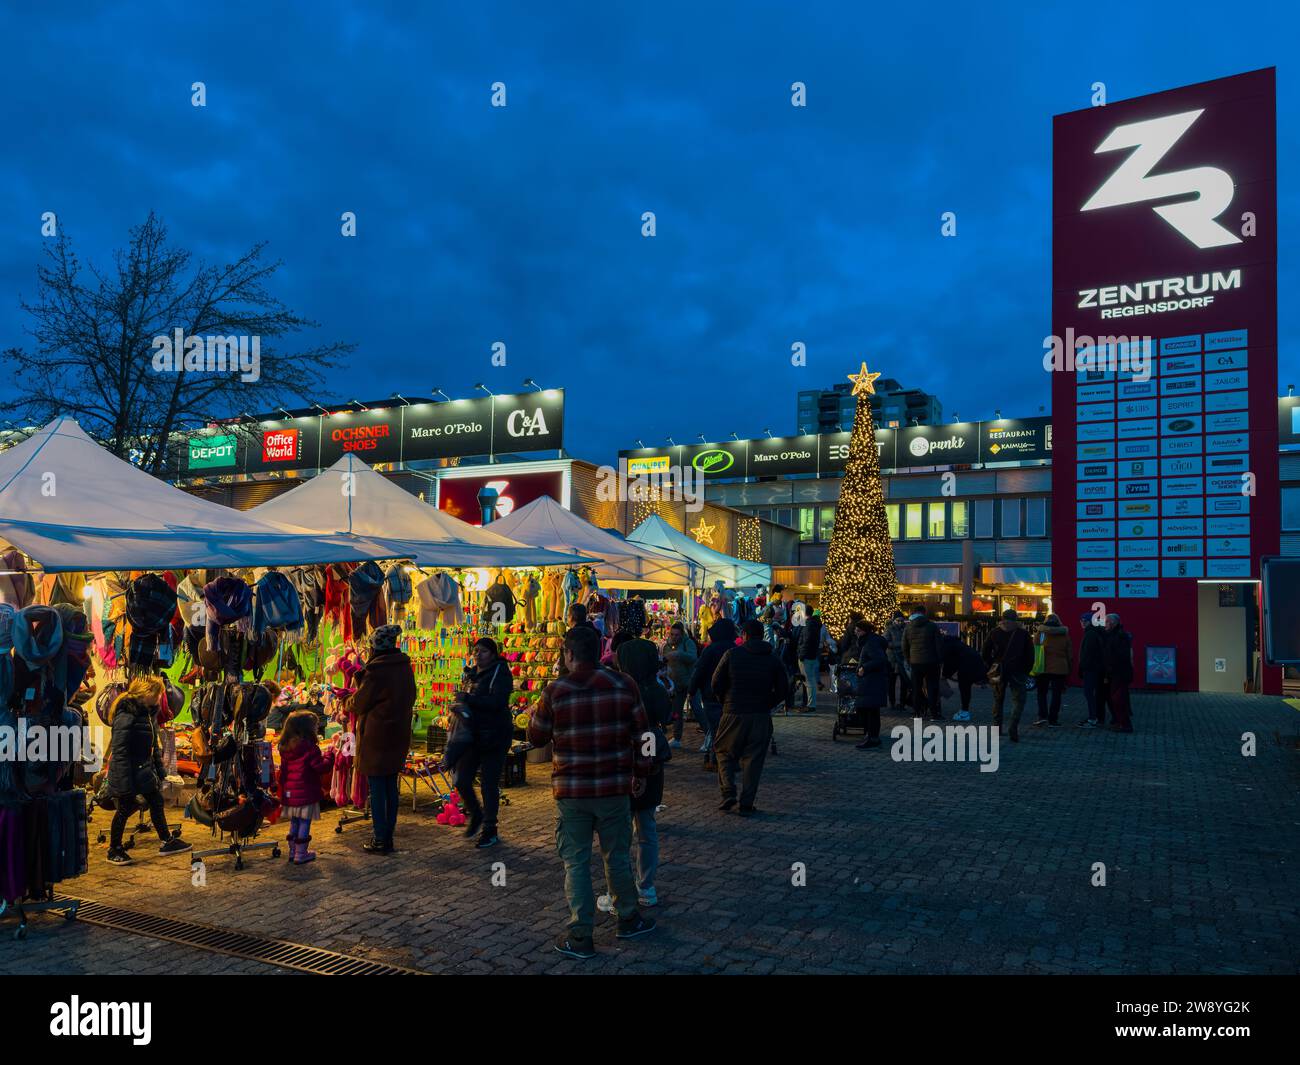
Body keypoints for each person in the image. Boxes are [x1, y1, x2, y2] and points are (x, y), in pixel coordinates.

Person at [529, 625, 656, 959]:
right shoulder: (623, 684)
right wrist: (641, 774)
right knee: (616, 856)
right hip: (614, 788)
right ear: (600, 648)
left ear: (568, 654)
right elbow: (644, 736)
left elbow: (536, 738)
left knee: (577, 862)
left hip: (572, 791)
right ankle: (628, 917)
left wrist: (534, 718)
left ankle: (581, 934)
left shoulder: (555, 691)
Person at [598, 633, 671, 910]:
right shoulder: (658, 689)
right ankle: (646, 887)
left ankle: (616, 889)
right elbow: (666, 718)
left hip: (623, 758)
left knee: (619, 831)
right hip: (651, 759)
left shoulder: (619, 688)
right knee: (647, 826)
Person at [104, 676, 192, 864]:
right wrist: (124, 782)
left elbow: (154, 747)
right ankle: (114, 849)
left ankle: (166, 840)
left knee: (156, 801)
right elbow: (120, 750)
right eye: (159, 693)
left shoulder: (148, 713)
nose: (161, 698)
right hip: (128, 771)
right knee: (125, 808)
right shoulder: (126, 713)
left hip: (143, 770)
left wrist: (160, 772)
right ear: (148, 693)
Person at [710, 619, 788, 815]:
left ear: (744, 635)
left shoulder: (732, 654)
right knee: (754, 760)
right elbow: (783, 688)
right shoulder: (772, 657)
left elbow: (716, 682)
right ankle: (747, 802)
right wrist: (768, 703)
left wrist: (725, 700)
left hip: (733, 712)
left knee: (723, 752)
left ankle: (728, 790)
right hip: (760, 715)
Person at [352, 624, 417, 854]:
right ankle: (387, 835)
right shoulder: (404, 668)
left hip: (376, 738)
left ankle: (380, 838)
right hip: (398, 735)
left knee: (378, 789)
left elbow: (359, 703)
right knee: (390, 787)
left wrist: (357, 681)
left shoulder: (376, 671)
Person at [450, 636, 514, 848]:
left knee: (488, 783)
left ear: (493, 654)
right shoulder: (471, 674)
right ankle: (476, 813)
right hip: (472, 734)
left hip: (495, 735)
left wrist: (468, 700)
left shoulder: (500, 673)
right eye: (476, 650)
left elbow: (497, 702)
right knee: (461, 779)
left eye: (483, 651)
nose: (478, 654)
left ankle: (490, 828)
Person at [277, 709, 336, 865]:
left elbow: (283, 772)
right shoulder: (310, 748)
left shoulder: (285, 747)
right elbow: (321, 767)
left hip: (290, 792)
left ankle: (292, 851)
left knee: (294, 821)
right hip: (306, 791)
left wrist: (282, 789)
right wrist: (330, 755)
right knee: (304, 821)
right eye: (315, 726)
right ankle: (301, 854)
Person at [688, 618, 737, 770]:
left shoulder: (710, 649)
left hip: (711, 694)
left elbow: (699, 671)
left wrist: (692, 690)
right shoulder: (735, 648)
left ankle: (717, 761)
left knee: (716, 729)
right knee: (730, 730)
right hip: (731, 696)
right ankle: (730, 760)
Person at [982, 609, 1034, 742]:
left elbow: (985, 652)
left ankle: (996, 727)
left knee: (998, 700)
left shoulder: (995, 632)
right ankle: (1013, 727)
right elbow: (1030, 655)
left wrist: (992, 665)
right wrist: (1026, 671)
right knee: (1018, 700)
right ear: (1016, 619)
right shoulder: (1023, 634)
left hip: (999, 670)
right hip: (1018, 671)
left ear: (1002, 619)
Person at [847, 619, 888, 750]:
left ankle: (873, 738)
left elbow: (879, 659)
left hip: (872, 682)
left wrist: (864, 667)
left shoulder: (870, 643)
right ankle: (871, 736)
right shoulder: (871, 641)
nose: (856, 633)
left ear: (864, 631)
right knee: (871, 711)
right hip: (872, 682)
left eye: (857, 630)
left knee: (871, 711)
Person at [902, 606, 944, 722]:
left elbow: (904, 646)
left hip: (915, 662)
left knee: (916, 688)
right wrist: (940, 660)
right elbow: (939, 645)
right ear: (924, 613)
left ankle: (917, 713)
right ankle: (934, 714)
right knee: (932, 688)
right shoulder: (932, 626)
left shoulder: (908, 627)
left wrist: (909, 659)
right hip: (931, 662)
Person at [1032, 614, 1072, 727]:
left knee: (1041, 693)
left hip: (1042, 667)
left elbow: (1035, 647)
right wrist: (1069, 667)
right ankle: (1053, 719)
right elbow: (1069, 653)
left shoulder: (1041, 633)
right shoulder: (1064, 634)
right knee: (1056, 694)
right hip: (1060, 667)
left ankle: (1042, 716)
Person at [662, 621, 698, 747]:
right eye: (672, 634)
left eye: (677, 635)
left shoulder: (688, 643)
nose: (674, 637)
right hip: (676, 683)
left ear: (682, 634)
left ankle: (709, 733)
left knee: (697, 708)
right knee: (676, 710)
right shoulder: (667, 645)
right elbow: (664, 660)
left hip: (690, 680)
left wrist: (679, 654)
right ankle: (677, 738)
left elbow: (693, 658)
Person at [940, 633, 987, 722]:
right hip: (976, 665)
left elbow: (950, 663)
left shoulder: (947, 646)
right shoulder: (957, 643)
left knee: (965, 689)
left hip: (967, 668)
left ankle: (964, 713)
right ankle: (964, 711)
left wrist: (945, 675)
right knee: (966, 689)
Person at [796, 609, 836, 711]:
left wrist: (801, 654)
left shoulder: (809, 625)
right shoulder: (816, 624)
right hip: (813, 654)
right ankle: (811, 704)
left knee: (808, 681)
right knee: (811, 679)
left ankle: (811, 705)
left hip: (807, 655)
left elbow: (807, 641)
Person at [1103, 613, 1135, 733]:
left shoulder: (1119, 636)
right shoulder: (1114, 635)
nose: (1104, 624)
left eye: (1106, 622)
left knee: (1119, 699)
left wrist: (1111, 666)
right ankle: (1120, 722)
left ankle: (1125, 724)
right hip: (1116, 673)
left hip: (1119, 673)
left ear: (1112, 623)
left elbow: (1120, 656)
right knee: (1116, 699)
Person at [1078, 614, 1107, 728]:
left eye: (1084, 620)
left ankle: (1093, 718)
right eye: (1081, 620)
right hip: (1096, 668)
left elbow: (1088, 654)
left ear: (1090, 622)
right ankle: (1095, 717)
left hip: (1090, 669)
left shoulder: (1090, 634)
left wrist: (1082, 667)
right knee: (1095, 694)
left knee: (1089, 693)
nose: (1082, 622)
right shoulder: (1095, 632)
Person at [556, 602, 598, 679]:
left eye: (568, 616)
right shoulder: (593, 633)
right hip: (594, 675)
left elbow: (565, 663)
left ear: (571, 617)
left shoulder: (573, 636)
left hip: (575, 676)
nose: (567, 619)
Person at [884, 611, 909, 709]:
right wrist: (899, 646)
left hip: (903, 659)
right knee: (891, 682)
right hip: (892, 659)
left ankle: (902, 703)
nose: (900, 622)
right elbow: (885, 642)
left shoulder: (906, 629)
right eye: (898, 620)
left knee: (904, 682)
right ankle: (892, 702)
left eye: (902, 620)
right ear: (894, 620)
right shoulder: (889, 629)